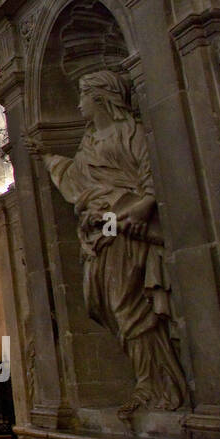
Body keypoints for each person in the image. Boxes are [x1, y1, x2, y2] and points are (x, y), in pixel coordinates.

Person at [35, 69, 187, 419]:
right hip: (99, 235)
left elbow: (151, 183)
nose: (78, 103)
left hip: (127, 233)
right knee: (104, 304)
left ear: (102, 97)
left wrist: (135, 212)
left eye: (84, 96)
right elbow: (78, 181)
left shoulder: (130, 132)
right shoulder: (88, 143)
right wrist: (47, 156)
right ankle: (149, 382)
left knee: (129, 306)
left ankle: (157, 384)